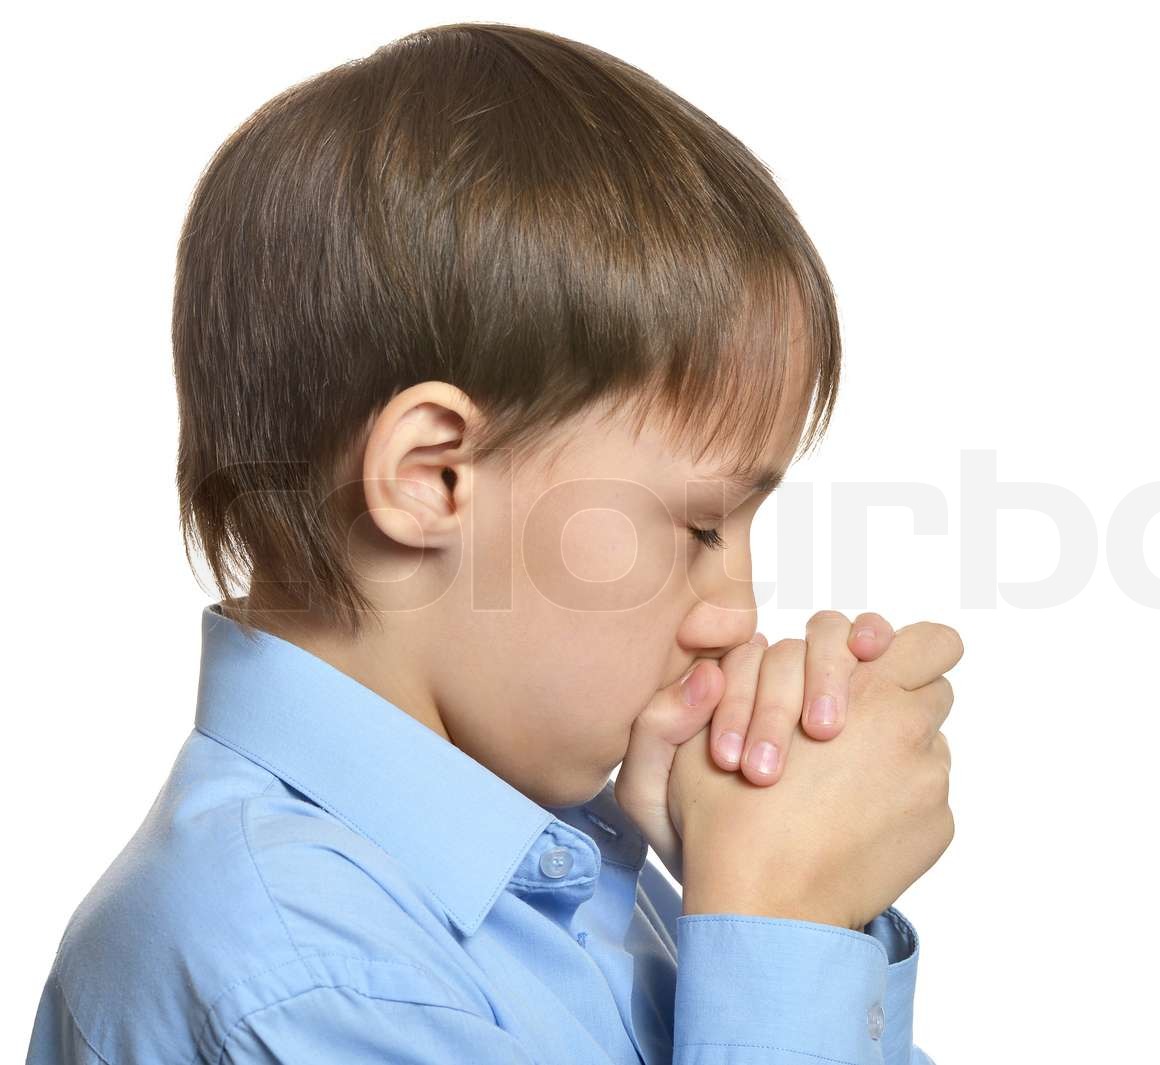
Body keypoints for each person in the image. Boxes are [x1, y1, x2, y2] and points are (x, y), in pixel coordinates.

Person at [24, 20, 959, 1065]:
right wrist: (782, 925)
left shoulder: (577, 884)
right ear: (433, 479)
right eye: (699, 524)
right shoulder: (299, 970)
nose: (735, 613)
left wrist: (769, 895)